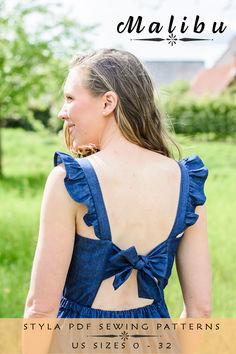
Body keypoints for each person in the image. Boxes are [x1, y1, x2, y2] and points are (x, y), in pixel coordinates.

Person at [24, 48, 211, 319]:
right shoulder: (187, 183)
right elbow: (201, 311)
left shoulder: (70, 181)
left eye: (70, 98)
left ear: (107, 103)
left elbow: (41, 310)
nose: (62, 113)